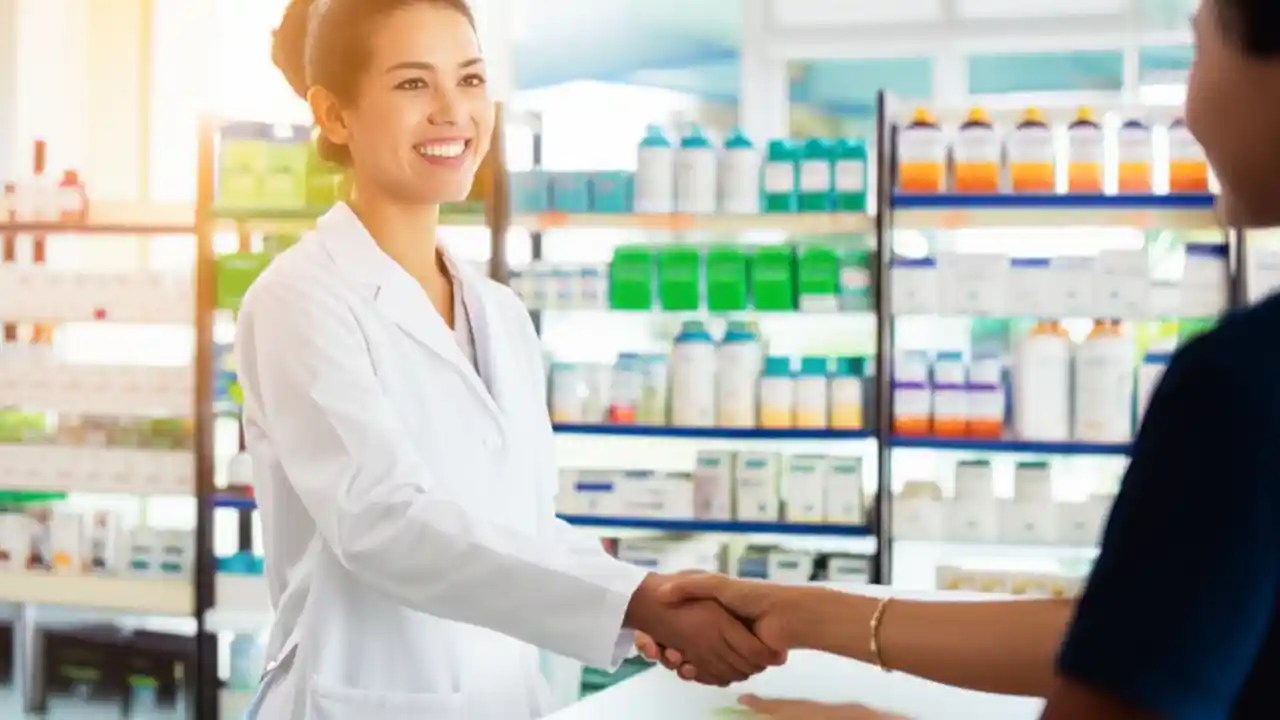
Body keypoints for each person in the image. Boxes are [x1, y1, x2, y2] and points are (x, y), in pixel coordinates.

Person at [643, 0, 1280, 717]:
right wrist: (808, 613)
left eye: (1199, 53)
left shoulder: (1244, 383)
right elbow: (1150, 631)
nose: (1189, 112)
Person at [236, 1, 781, 717]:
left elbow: (524, 525)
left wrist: (650, 602)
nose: (453, 111)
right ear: (335, 115)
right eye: (413, 84)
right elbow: (384, 523)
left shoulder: (498, 311)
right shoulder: (299, 299)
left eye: (469, 79)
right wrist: (636, 602)